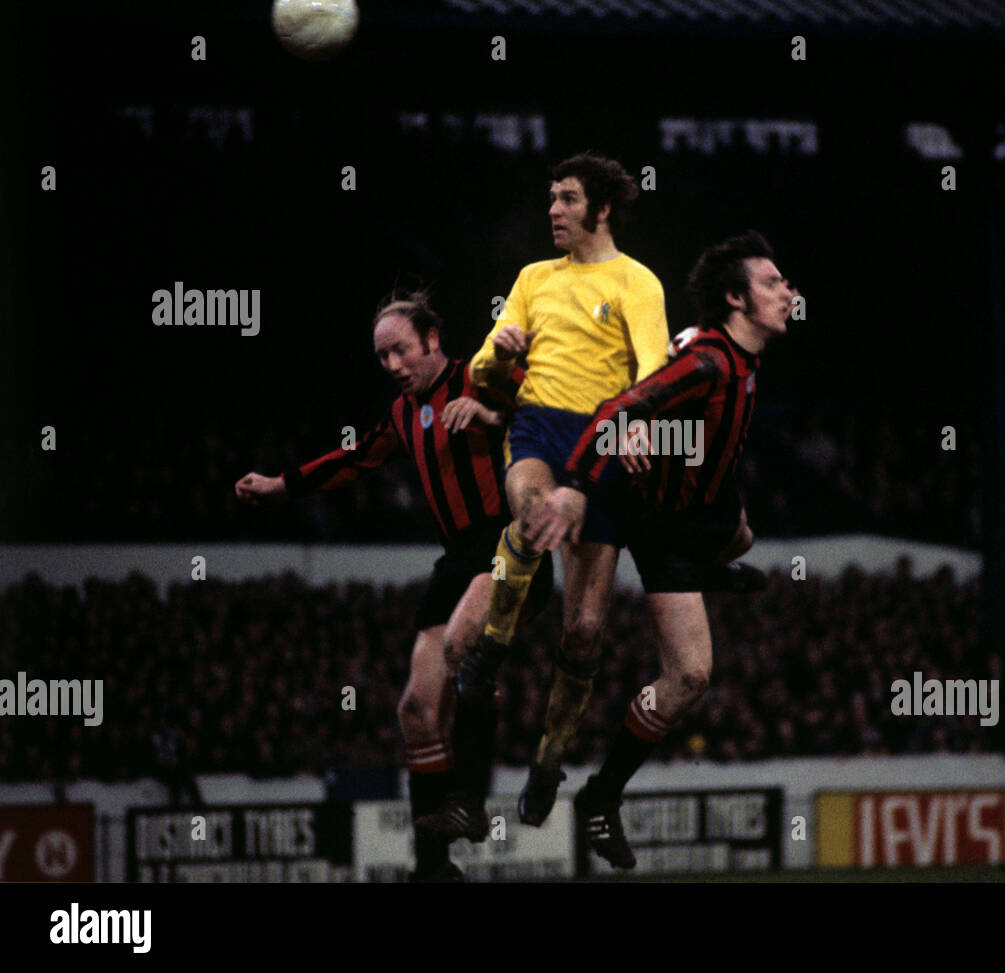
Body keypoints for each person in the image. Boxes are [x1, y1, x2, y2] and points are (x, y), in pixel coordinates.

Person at [234, 289, 551, 882]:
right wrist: (282, 484)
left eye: (400, 351)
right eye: (382, 358)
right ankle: (431, 869)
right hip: (458, 561)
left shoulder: (483, 377)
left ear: (431, 339)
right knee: (415, 708)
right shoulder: (404, 414)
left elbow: (553, 419)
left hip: (511, 544)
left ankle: (471, 803)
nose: (392, 366)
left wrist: (491, 416)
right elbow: (355, 458)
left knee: (460, 649)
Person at [525, 230, 794, 869]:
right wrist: (575, 486)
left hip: (702, 508)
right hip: (656, 517)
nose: (789, 292)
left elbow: (651, 380)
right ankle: (599, 795)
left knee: (744, 535)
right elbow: (620, 405)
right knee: (690, 676)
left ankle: (714, 563)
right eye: (773, 283)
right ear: (735, 300)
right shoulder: (707, 360)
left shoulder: (737, 356)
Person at [424, 152, 671, 840]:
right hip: (538, 427)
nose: (553, 210)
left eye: (565, 199)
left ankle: (549, 759)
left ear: (601, 209)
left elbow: (655, 366)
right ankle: (491, 654)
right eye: (551, 199)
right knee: (533, 514)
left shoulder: (636, 282)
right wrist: (501, 350)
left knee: (585, 631)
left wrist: (634, 421)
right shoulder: (533, 279)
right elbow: (477, 368)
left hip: (602, 444)